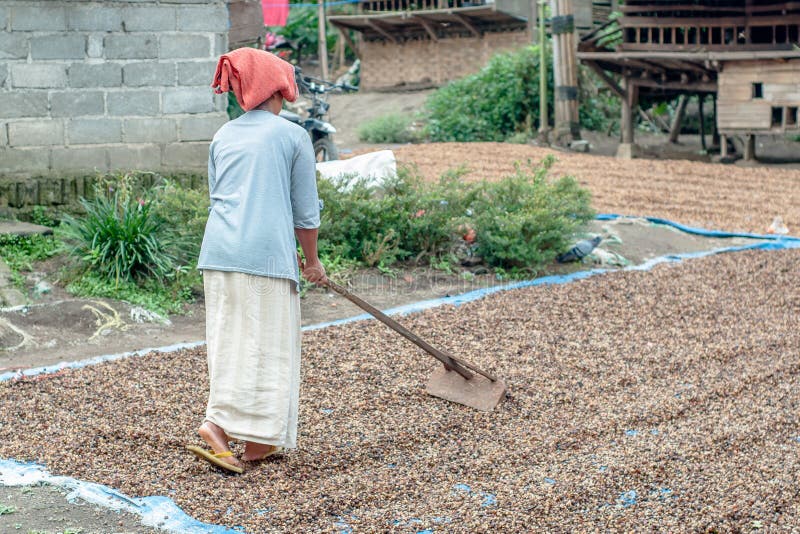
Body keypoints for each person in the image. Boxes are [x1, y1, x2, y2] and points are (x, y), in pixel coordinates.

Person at [186, 48, 327, 474]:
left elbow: (220, 197)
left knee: (231, 343)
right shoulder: (292, 136)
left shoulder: (224, 135)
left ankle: (257, 443)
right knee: (268, 347)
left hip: (219, 253)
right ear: (278, 90)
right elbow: (305, 212)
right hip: (264, 257)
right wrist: (312, 262)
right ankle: (216, 426)